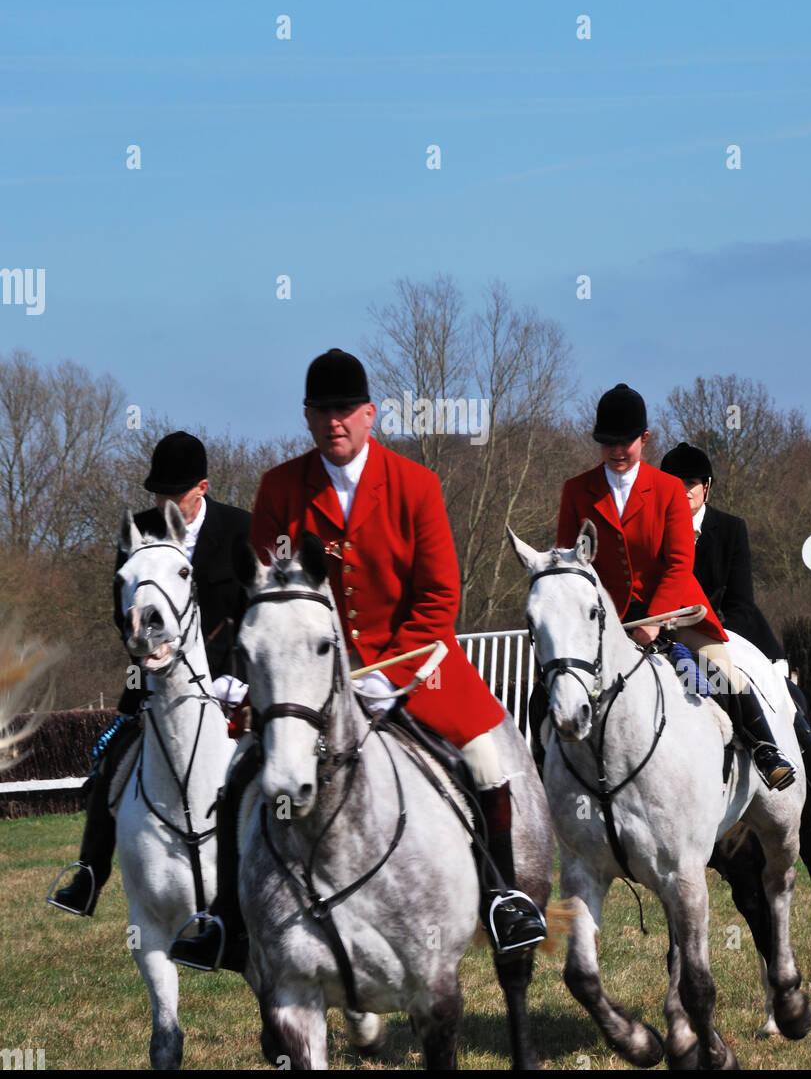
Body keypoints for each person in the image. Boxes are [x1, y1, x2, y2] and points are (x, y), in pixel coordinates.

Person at [170, 348, 547, 971]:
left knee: (483, 757)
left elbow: (437, 598)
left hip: (415, 663)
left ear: (371, 414)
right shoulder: (280, 488)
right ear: (307, 417)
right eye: (321, 411)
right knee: (240, 770)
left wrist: (388, 679)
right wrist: (250, 676)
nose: (334, 421)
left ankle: (504, 895)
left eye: (346, 410)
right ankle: (226, 920)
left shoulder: (416, 485)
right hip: (308, 681)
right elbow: (261, 596)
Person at [47, 432, 251, 916]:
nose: (163, 503)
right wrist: (147, 666)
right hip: (153, 682)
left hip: (230, 684)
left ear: (201, 487)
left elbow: (252, 614)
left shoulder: (242, 530)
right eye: (157, 493)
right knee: (110, 765)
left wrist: (232, 681)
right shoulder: (140, 531)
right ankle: (89, 874)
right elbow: (124, 615)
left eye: (173, 493)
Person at [556, 384, 796, 790]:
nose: (617, 451)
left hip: (672, 611)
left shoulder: (667, 489)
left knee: (722, 672)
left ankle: (765, 749)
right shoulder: (577, 490)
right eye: (607, 442)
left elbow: (679, 563)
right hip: (606, 617)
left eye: (626, 442)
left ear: (644, 439)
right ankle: (545, 763)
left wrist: (653, 623)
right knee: (550, 682)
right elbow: (569, 560)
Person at [659, 441, 811, 846]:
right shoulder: (656, 531)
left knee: (789, 705)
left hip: (732, 631)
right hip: (667, 637)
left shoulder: (730, 529)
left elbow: (742, 602)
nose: (684, 490)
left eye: (692, 483)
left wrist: (705, 631)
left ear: (706, 487)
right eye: (675, 483)